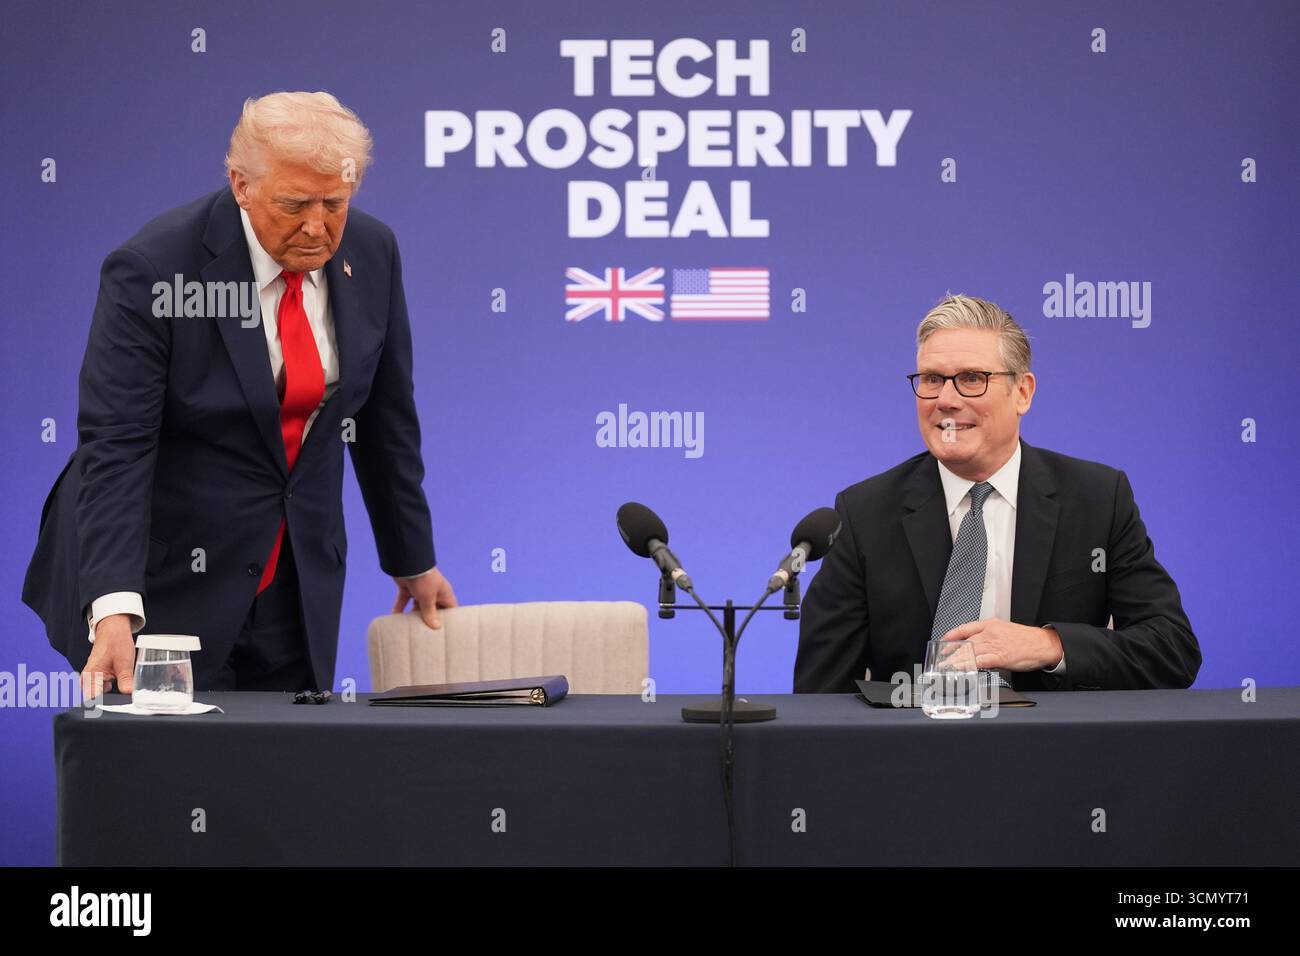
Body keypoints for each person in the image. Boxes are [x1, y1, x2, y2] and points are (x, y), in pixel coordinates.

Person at [23, 91, 457, 695]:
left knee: (281, 777)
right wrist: (114, 603)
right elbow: (118, 445)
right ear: (241, 185)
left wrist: (412, 555)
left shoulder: (372, 250)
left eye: (335, 202)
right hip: (165, 582)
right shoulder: (155, 269)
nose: (317, 225)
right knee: (167, 781)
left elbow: (384, 421)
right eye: (294, 203)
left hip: (297, 578)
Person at [794, 294, 1200, 693]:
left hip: (1053, 752)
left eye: (972, 378)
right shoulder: (864, 513)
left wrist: (1047, 645)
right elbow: (819, 694)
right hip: (912, 754)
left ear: (1022, 392)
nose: (946, 400)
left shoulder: (1097, 499)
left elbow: (1172, 650)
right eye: (932, 379)